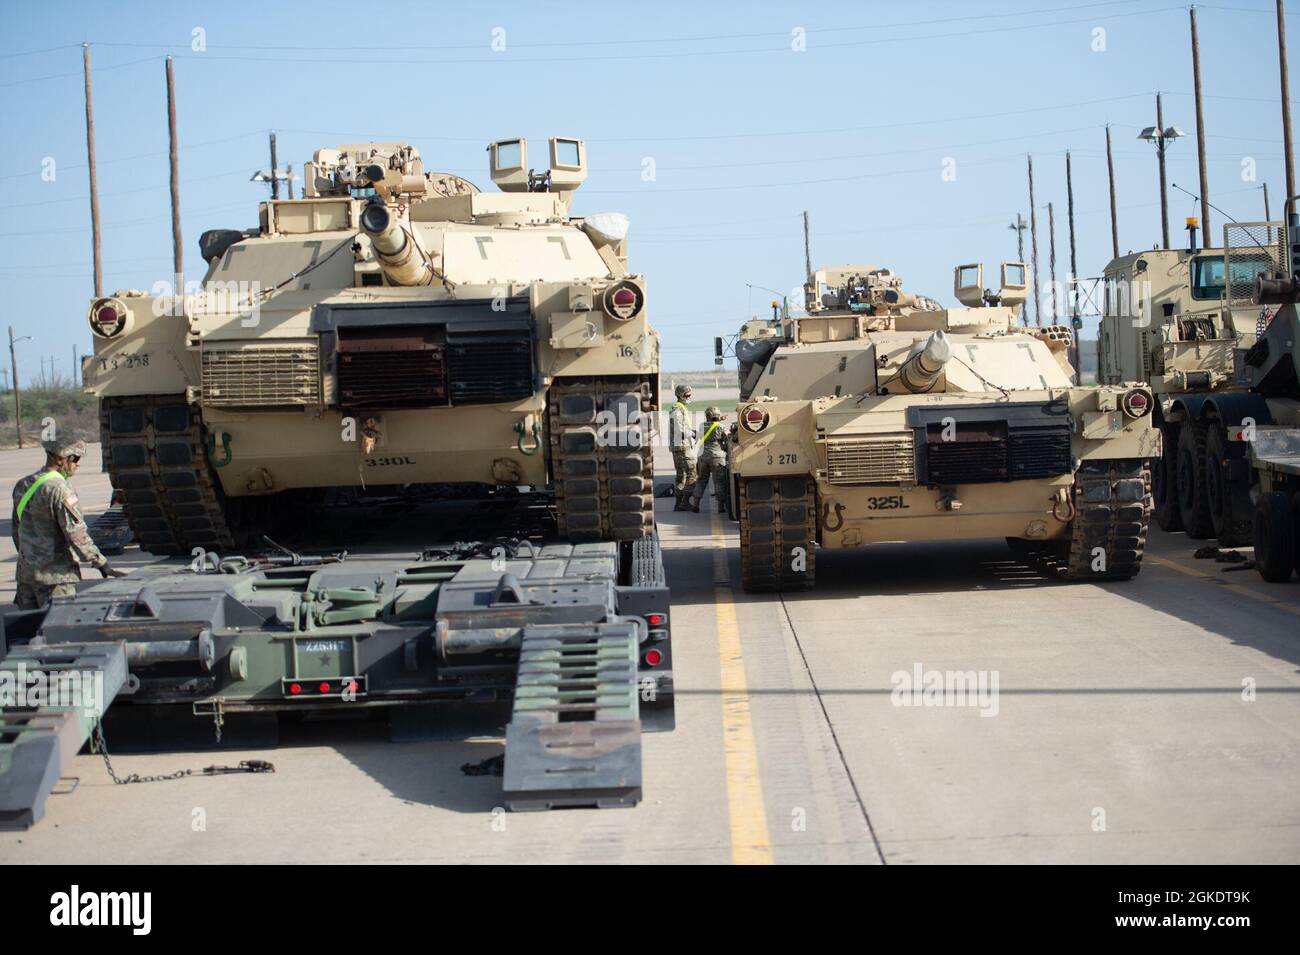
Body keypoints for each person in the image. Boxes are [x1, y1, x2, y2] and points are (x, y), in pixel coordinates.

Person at [11, 437, 126, 609]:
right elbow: (76, 534)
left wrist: (29, 559)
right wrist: (101, 563)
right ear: (61, 459)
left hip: (26, 579)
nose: (78, 464)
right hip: (55, 579)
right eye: (76, 459)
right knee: (55, 631)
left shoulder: (23, 485)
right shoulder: (60, 489)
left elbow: (16, 530)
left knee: (25, 630)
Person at [690, 406, 730, 514]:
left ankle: (696, 504)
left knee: (701, 481)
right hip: (717, 457)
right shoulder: (721, 426)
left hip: (703, 457)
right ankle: (720, 507)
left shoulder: (702, 426)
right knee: (719, 482)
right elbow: (727, 440)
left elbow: (703, 433)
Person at [669, 384, 697, 511]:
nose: (689, 397)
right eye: (687, 395)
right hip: (682, 447)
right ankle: (684, 502)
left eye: (690, 395)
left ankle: (679, 503)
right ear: (680, 395)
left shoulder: (681, 407)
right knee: (691, 474)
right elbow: (679, 430)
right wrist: (692, 433)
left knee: (682, 475)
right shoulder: (677, 409)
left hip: (681, 446)